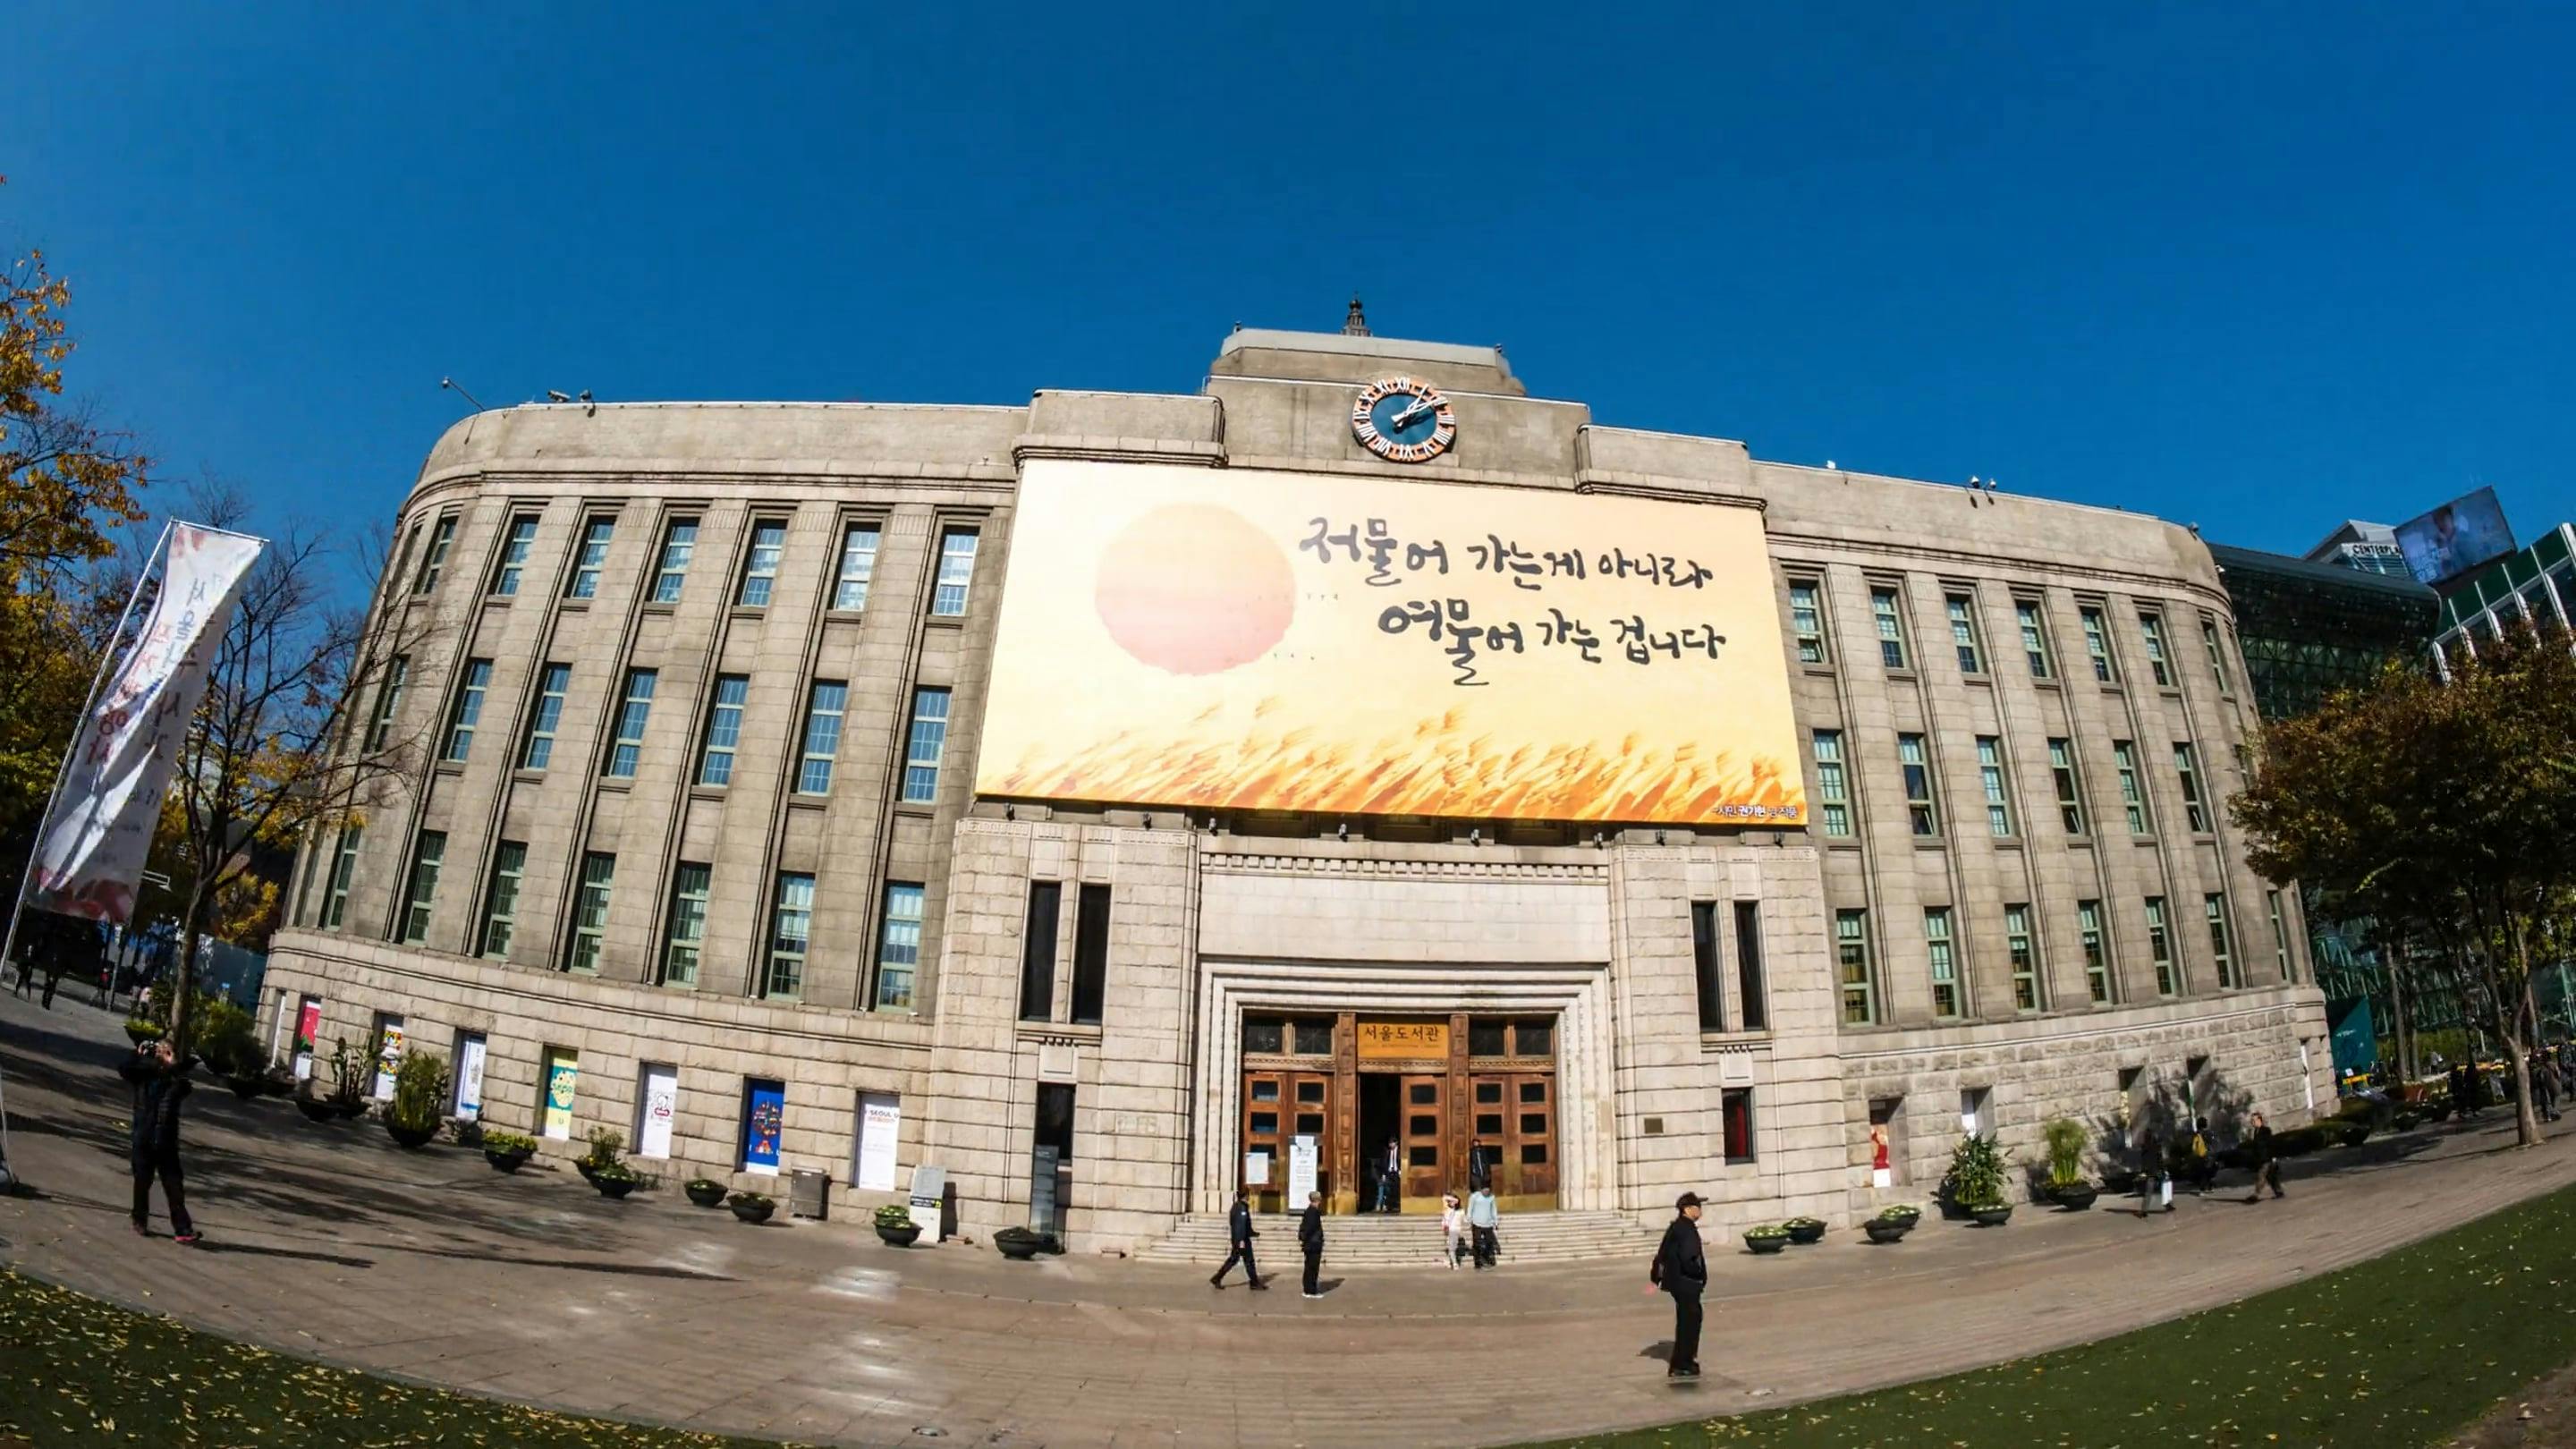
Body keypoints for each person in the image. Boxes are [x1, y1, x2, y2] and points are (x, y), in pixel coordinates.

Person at [121, 1037, 199, 1243]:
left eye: (166, 1051)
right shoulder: (143, 1076)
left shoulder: (175, 1080)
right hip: (144, 1136)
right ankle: (140, 1219)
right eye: (159, 1050)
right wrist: (137, 1054)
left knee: (174, 1185)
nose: (161, 1054)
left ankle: (183, 1228)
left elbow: (185, 1088)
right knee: (142, 1181)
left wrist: (173, 1065)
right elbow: (125, 1070)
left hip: (166, 1140)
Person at [1648, 1191, 1707, 1379]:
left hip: (1677, 1283)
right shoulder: (1687, 1230)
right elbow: (1689, 1257)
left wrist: (1657, 1278)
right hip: (1687, 1283)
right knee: (1690, 1322)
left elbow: (1662, 1255)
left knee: (1686, 1320)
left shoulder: (1675, 1227)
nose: (1700, 1210)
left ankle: (1682, 1361)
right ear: (1687, 1209)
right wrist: (1698, 1275)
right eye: (1698, 1206)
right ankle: (1683, 1363)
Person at [1210, 1188, 1265, 1290]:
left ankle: (1217, 1278)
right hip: (1242, 1240)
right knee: (1249, 1261)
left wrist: (1252, 1233)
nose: (1249, 1197)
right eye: (1248, 1195)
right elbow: (1241, 1225)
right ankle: (1254, 1283)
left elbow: (1238, 1224)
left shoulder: (1235, 1206)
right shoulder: (1242, 1208)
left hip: (1237, 1239)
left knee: (1233, 1259)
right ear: (1246, 1196)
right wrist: (1242, 1241)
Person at [2248, 1112, 2284, 1200]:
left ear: (2259, 1120)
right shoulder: (2256, 1132)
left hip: (2267, 1158)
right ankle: (2279, 1192)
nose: (2252, 1122)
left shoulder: (2266, 1130)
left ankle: (2256, 1194)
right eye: (2251, 1121)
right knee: (2270, 1176)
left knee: (2261, 1175)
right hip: (2261, 1159)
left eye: (2253, 1120)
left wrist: (2273, 1157)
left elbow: (2271, 1144)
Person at [1297, 1191, 1325, 1298]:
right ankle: (1310, 1290)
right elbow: (1310, 1228)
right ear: (1317, 1200)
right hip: (1313, 1244)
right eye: (1319, 1199)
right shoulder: (1313, 1212)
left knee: (1309, 1267)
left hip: (1310, 1243)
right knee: (1312, 1267)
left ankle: (1308, 1289)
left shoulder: (1309, 1211)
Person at [1467, 1182, 1500, 1268]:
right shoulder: (1474, 1197)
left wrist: (1496, 1221)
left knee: (1489, 1242)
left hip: (1488, 1224)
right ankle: (1477, 1262)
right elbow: (1470, 1209)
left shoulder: (1491, 1197)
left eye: (1488, 1190)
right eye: (1485, 1190)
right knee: (1477, 1243)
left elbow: (1493, 1210)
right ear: (1481, 1189)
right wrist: (1469, 1220)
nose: (1486, 1192)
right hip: (1477, 1223)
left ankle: (1487, 1259)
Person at [2135, 1126, 2164, 1218]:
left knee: (2148, 1192)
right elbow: (2160, 1159)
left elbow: (2144, 1162)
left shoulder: (2145, 1147)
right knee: (2164, 1188)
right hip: (2157, 1170)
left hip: (2150, 1172)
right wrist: (2162, 1169)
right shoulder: (2157, 1146)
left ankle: (2144, 1211)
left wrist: (2143, 1171)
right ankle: (2168, 1204)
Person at [1374, 1136, 1401, 1213]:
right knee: (1387, 1188)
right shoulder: (1388, 1152)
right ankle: (1386, 1205)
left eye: (1392, 1143)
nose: (1390, 1145)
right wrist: (1384, 1174)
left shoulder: (1400, 1151)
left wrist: (1400, 1170)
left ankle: (1395, 1205)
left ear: (1396, 1143)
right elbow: (1385, 1163)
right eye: (1389, 1143)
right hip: (1389, 1172)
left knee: (1397, 1189)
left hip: (1397, 1172)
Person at [1440, 1190, 1466, 1268]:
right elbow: (1444, 1199)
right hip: (1450, 1230)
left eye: (1451, 1201)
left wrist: (1452, 1198)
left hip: (1456, 1230)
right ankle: (1453, 1263)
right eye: (1449, 1201)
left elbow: (1465, 1220)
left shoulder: (1460, 1211)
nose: (1449, 1202)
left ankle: (1454, 1263)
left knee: (1452, 1248)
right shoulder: (1447, 1210)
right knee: (1451, 1248)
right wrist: (1444, 1227)